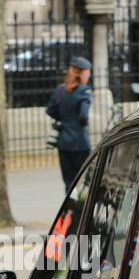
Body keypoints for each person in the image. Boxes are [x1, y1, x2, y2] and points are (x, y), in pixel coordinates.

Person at [47, 57, 93, 190]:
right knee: (86, 181)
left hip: (63, 143)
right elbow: (83, 116)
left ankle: (70, 209)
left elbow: (50, 110)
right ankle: (83, 208)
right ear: (83, 73)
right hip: (80, 143)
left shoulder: (60, 90)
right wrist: (81, 122)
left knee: (69, 183)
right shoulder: (84, 91)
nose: (89, 75)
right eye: (88, 72)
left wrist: (65, 119)